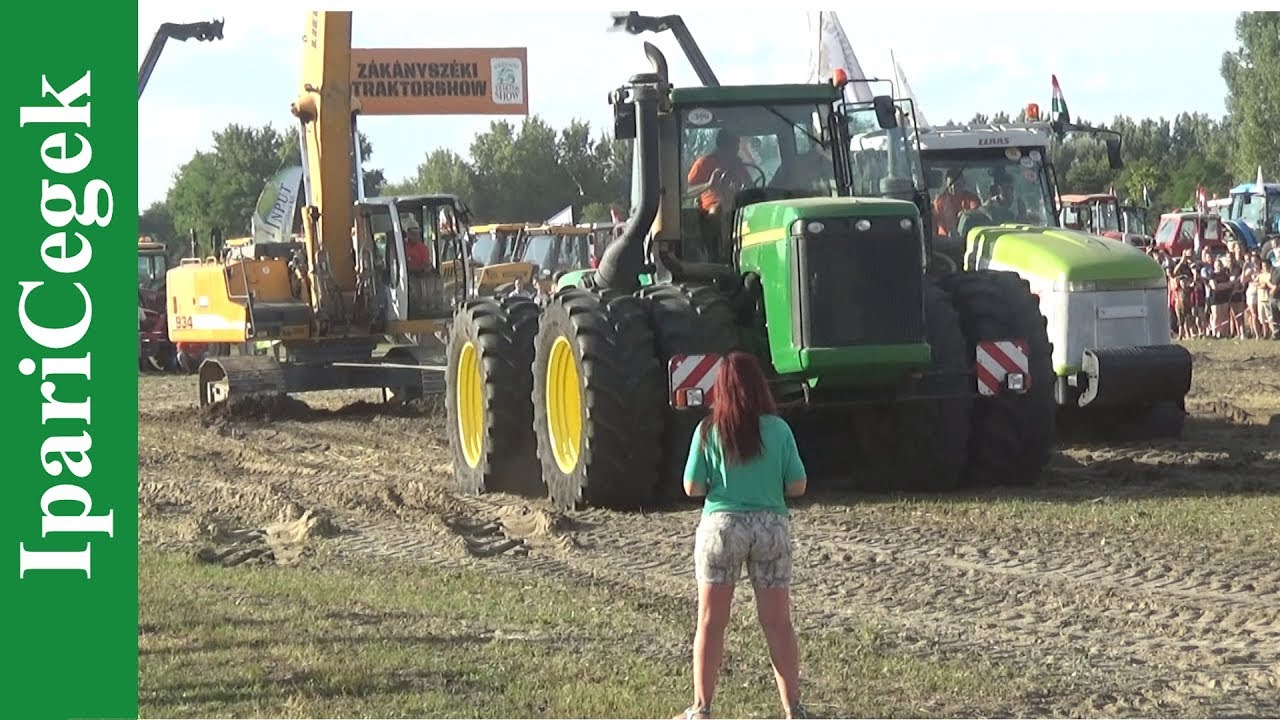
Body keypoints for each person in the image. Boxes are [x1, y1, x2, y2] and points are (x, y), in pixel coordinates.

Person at [678, 352, 808, 720]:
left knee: (710, 622)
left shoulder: (708, 430)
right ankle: (793, 708)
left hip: (722, 528)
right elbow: (798, 485)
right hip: (770, 528)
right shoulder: (779, 430)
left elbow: (691, 486)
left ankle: (701, 708)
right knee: (778, 623)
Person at [687, 130, 754, 215]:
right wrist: (708, 185)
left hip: (736, 205)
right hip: (711, 210)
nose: (736, 150)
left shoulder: (737, 163)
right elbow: (686, 191)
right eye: (732, 145)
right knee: (716, 209)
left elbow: (750, 186)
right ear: (721, 146)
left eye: (737, 145)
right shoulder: (704, 163)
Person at [932, 168, 980, 238]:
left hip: (967, 239)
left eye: (957, 184)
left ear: (963, 184)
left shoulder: (972, 199)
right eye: (950, 184)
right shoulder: (939, 201)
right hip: (943, 241)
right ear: (946, 184)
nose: (953, 187)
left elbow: (977, 215)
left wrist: (965, 215)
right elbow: (933, 227)